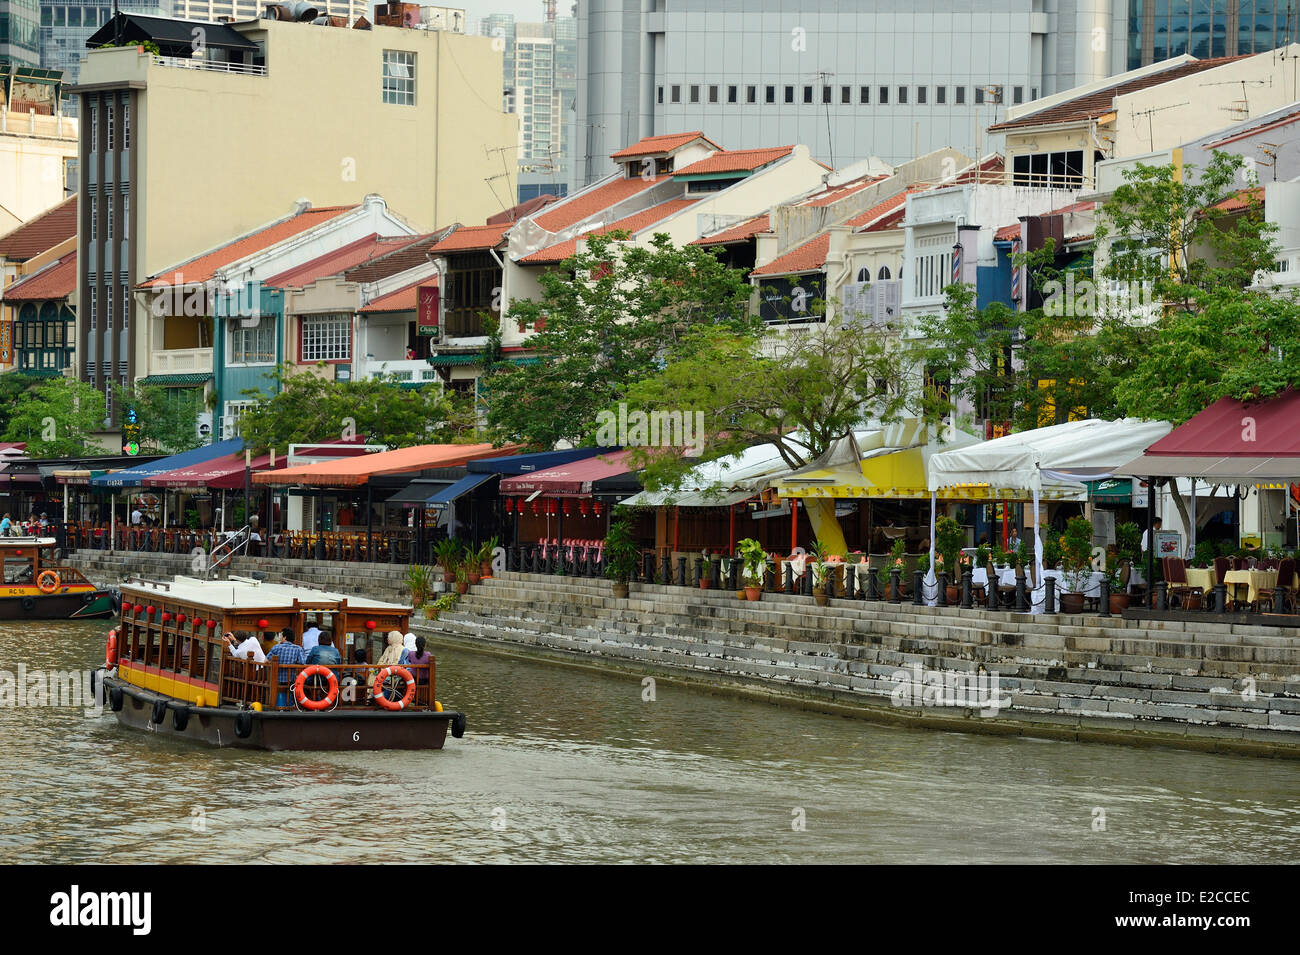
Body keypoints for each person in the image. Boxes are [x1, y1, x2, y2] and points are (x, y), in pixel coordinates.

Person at [267, 630, 307, 707]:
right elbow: (302, 662)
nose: (280, 638)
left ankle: (273, 704)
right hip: (291, 679)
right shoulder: (298, 648)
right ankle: (292, 704)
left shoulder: (276, 647)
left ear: (285, 637)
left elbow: (266, 660)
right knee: (295, 683)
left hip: (276, 679)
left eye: (281, 636)